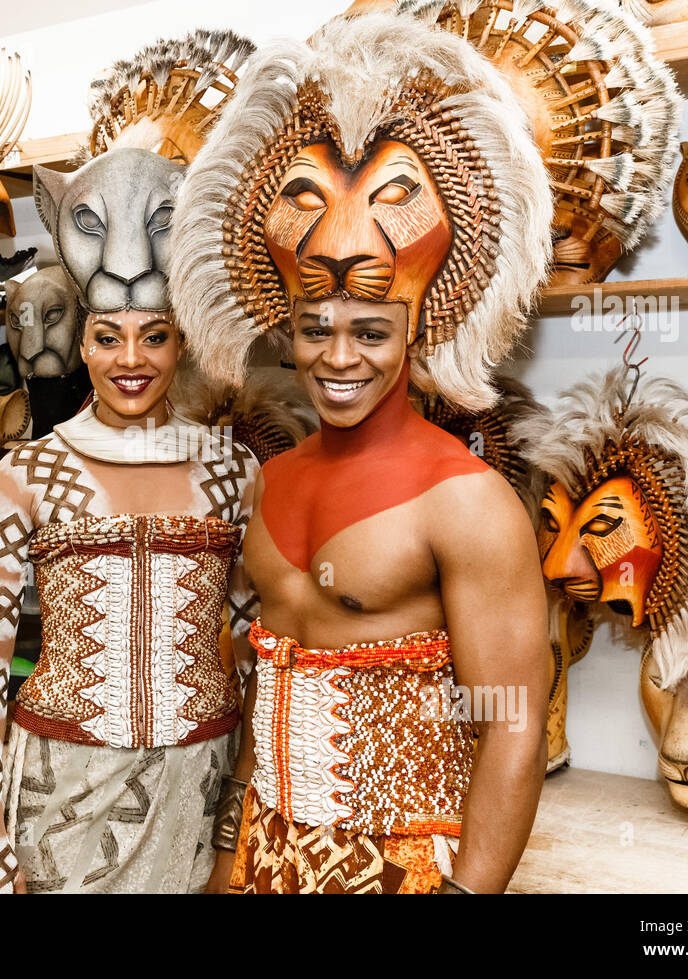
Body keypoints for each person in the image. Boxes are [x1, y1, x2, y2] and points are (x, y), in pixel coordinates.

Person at [171, 8, 555, 893]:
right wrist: (231, 863)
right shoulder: (267, 482)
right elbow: (262, 696)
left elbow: (512, 723)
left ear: (418, 325)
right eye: (315, 329)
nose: (339, 358)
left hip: (407, 870)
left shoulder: (466, 501)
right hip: (266, 860)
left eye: (371, 329)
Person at [0, 31, 264, 894]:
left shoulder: (231, 471)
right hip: (59, 793)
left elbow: (248, 645)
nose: (132, 357)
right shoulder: (25, 474)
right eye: (108, 335)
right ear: (81, 343)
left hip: (194, 791)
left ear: (182, 345)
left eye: (155, 336)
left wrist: (239, 809)